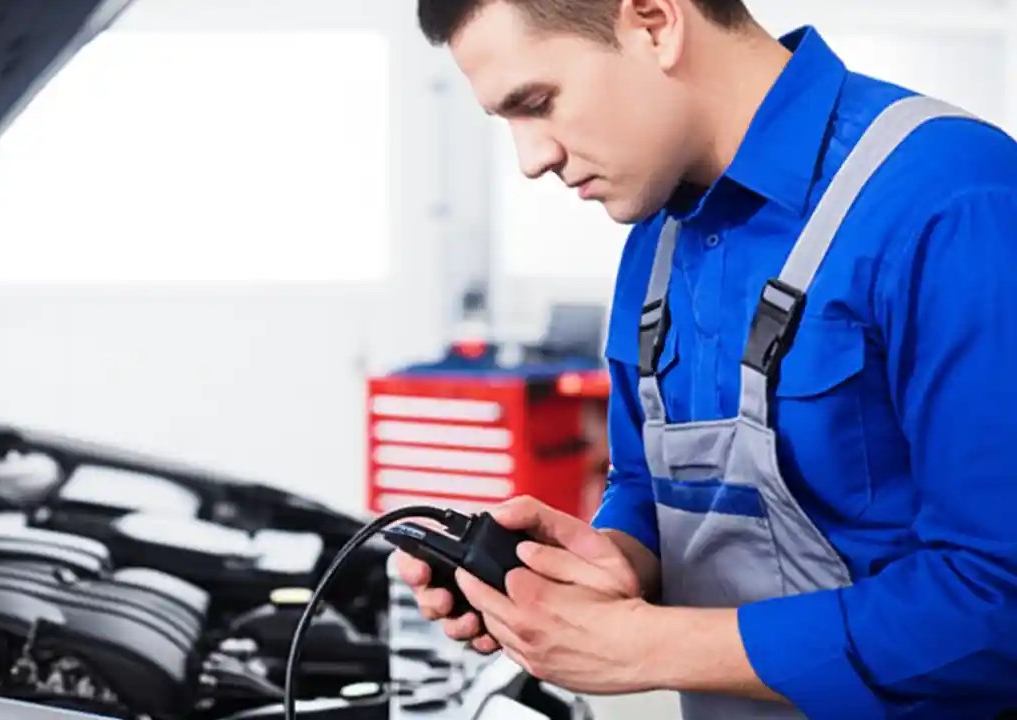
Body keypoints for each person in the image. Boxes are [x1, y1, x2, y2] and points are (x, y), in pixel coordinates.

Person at [394, 1, 1017, 718]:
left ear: (655, 22)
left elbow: (998, 597)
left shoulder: (957, 199)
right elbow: (645, 482)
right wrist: (613, 561)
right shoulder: (654, 237)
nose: (532, 158)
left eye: (537, 104)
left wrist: (641, 646)